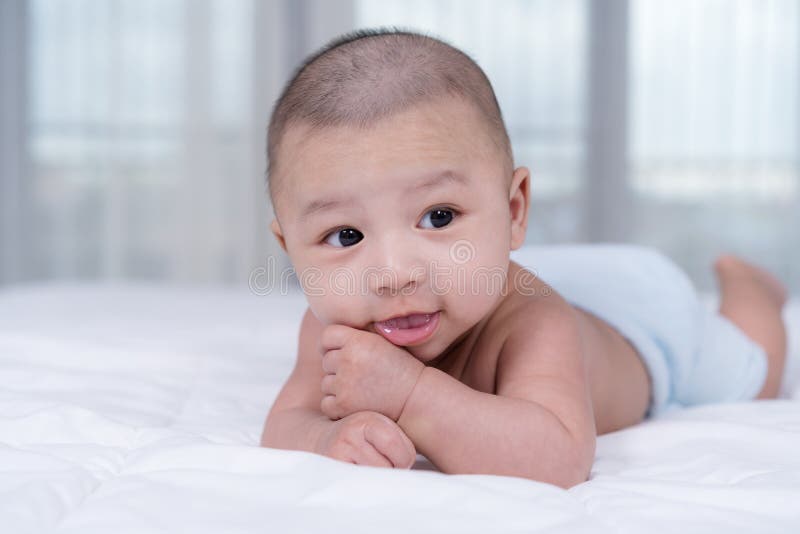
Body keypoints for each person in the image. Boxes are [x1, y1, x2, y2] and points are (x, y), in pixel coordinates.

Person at [260, 29, 788, 489]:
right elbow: (286, 422)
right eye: (346, 235)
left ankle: (750, 288)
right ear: (291, 251)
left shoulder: (535, 325)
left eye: (438, 217)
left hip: (643, 319)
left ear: (513, 211)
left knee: (753, 376)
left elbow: (558, 459)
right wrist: (325, 439)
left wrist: (410, 395)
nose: (395, 274)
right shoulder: (333, 324)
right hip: (508, 275)